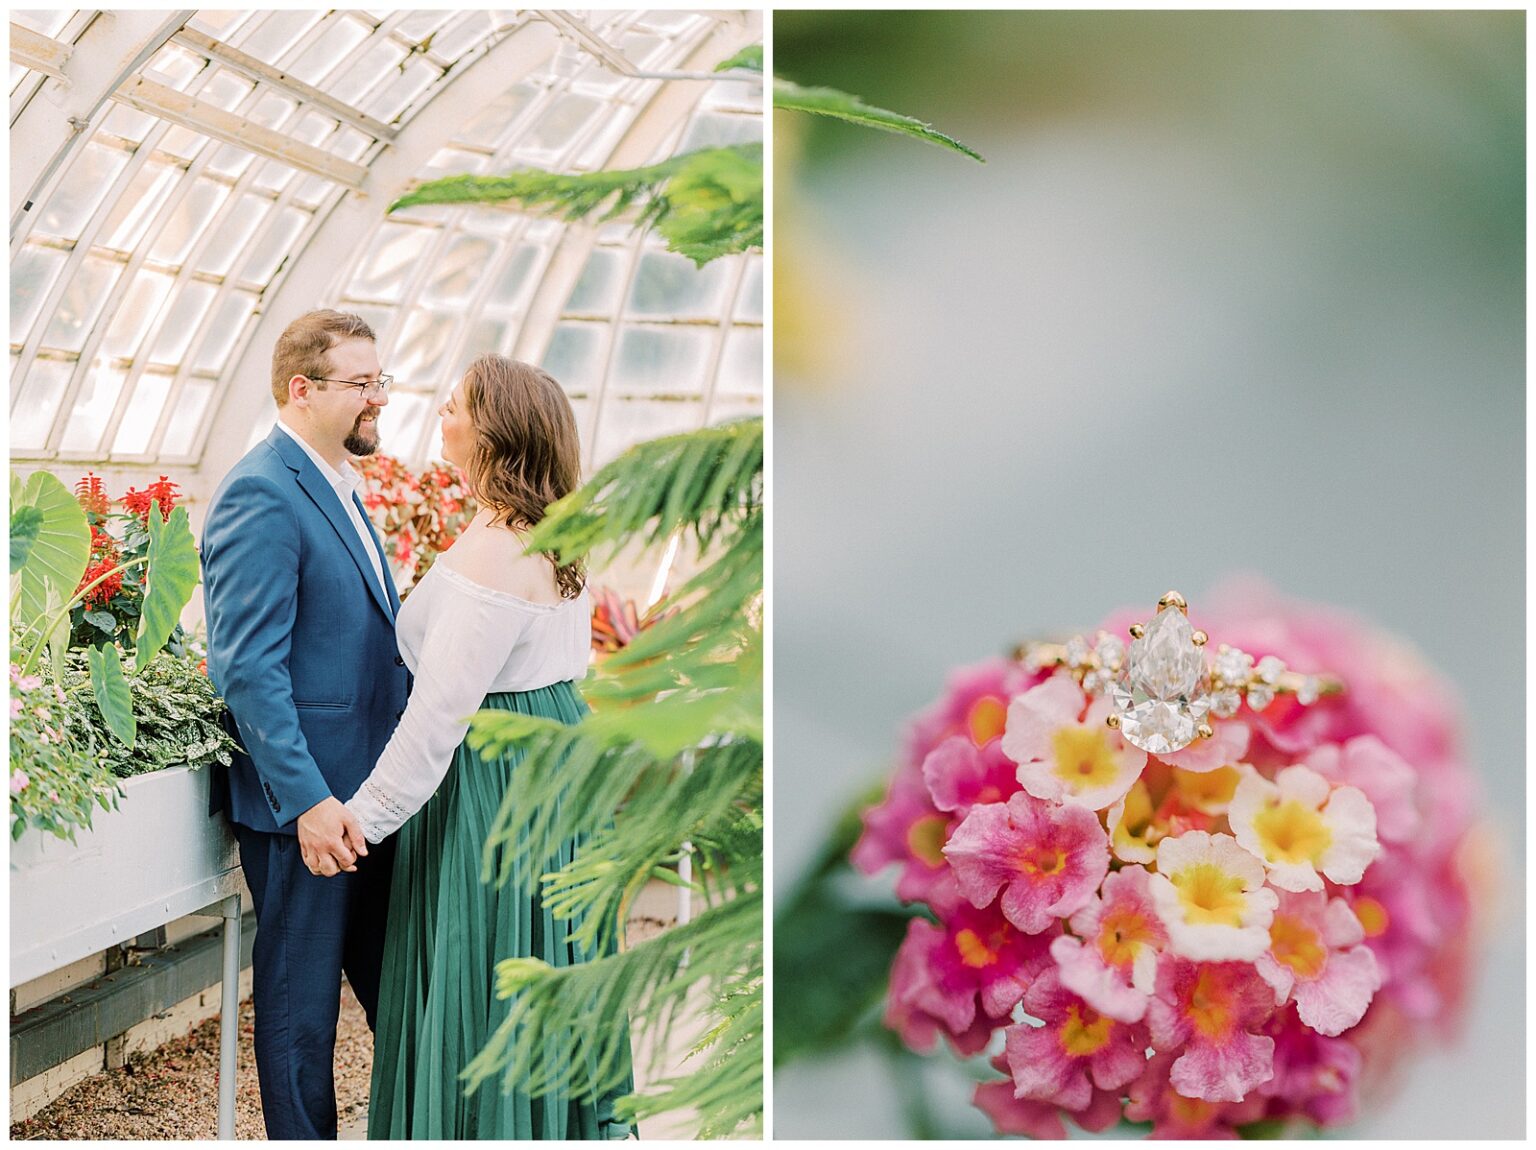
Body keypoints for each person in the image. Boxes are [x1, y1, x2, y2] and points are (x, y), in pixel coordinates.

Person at [342, 354, 635, 1139]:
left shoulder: (493, 553)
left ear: (496, 431)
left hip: (494, 783)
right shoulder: (549, 534)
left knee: (481, 968)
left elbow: (440, 715)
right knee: (539, 957)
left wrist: (360, 821)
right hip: (556, 770)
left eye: (459, 404)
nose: (442, 410)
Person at [202, 309, 409, 1139]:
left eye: (379, 382)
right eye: (363, 384)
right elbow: (248, 667)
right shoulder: (261, 490)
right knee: (300, 1020)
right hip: (309, 817)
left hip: (371, 803)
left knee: (404, 998)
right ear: (302, 388)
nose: (379, 400)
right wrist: (310, 802)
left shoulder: (340, 486)